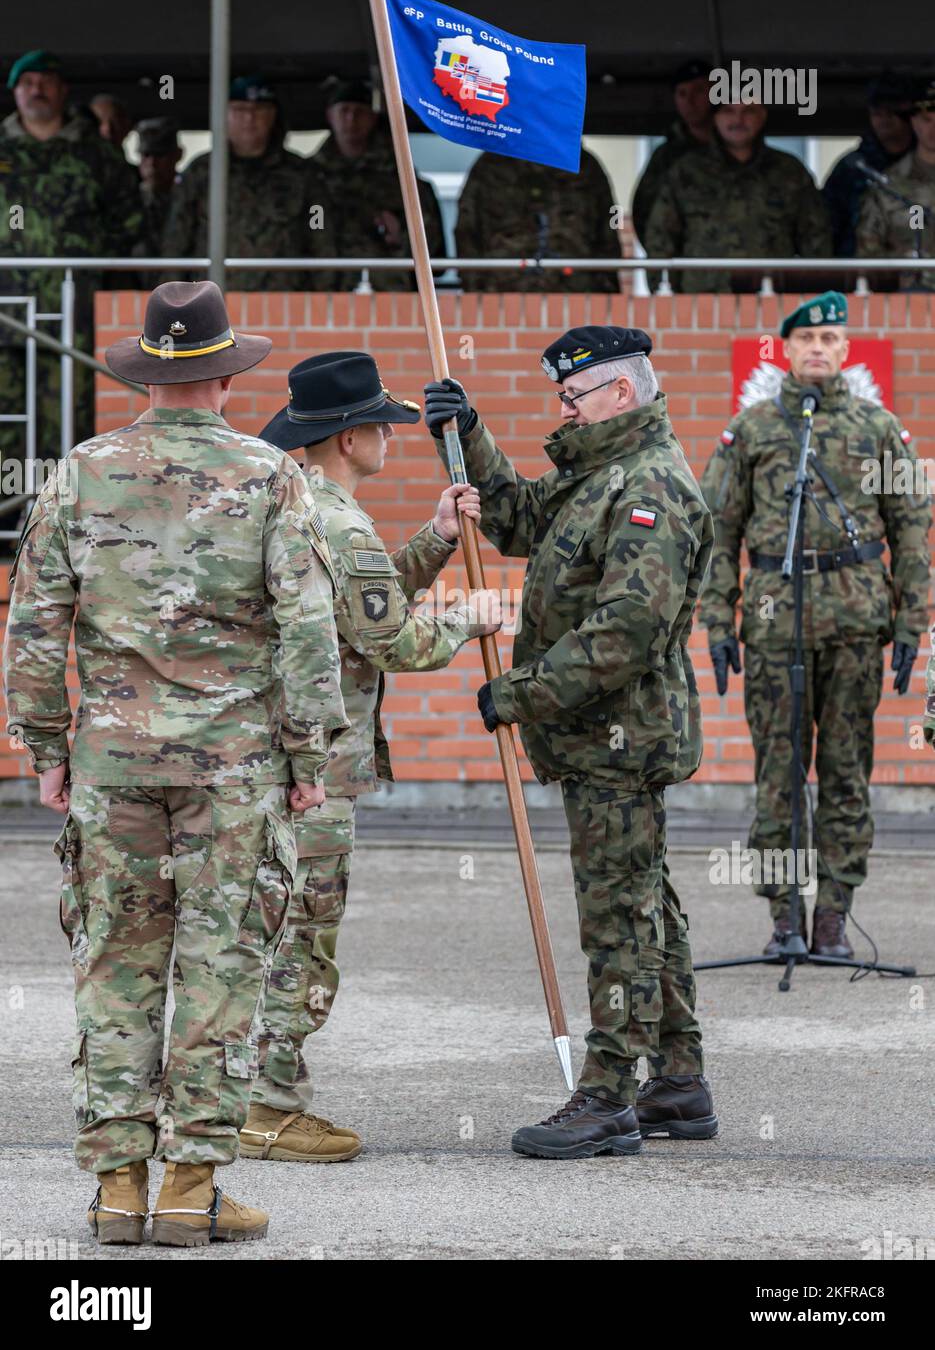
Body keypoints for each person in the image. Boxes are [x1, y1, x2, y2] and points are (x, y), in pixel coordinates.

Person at [2, 280, 348, 1245]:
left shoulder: (80, 472)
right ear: (227, 379)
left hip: (112, 764)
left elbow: (34, 626)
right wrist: (307, 754)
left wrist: (45, 747)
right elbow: (307, 627)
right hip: (233, 770)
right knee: (220, 968)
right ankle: (192, 1188)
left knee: (114, 969)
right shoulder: (271, 474)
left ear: (146, 375)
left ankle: (119, 1189)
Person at [424, 327, 718, 1159]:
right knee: (644, 902)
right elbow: (518, 521)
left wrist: (519, 694)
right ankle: (678, 1081)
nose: (563, 410)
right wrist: (466, 435)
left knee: (617, 918)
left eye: (572, 396)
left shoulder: (650, 485)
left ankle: (607, 1095)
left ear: (619, 392)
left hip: (619, 741)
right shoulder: (599, 471)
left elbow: (626, 630)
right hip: (593, 741)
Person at [239, 350, 501, 1161]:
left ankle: (234, 1095)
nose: (390, 438)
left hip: (265, 757)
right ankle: (268, 1106)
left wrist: (436, 538)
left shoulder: (284, 503)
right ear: (350, 439)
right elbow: (391, 642)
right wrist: (468, 620)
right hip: (318, 769)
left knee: (259, 929)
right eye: (381, 427)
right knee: (304, 939)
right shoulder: (341, 524)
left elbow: (360, 607)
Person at [700, 292, 931, 958]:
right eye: (806, 338)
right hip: (775, 625)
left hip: (855, 624)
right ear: (787, 349)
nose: (818, 349)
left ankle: (832, 916)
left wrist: (911, 622)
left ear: (845, 350)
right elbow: (718, 531)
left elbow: (911, 528)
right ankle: (783, 919)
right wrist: (718, 621)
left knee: (845, 772)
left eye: (830, 339)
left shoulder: (877, 427)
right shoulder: (752, 430)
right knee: (778, 775)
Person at [0, 49, 142, 470]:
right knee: (6, 417)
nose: (37, 90)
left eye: (46, 82)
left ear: (63, 91)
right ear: (14, 92)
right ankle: (9, 511)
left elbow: (131, 222)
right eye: (27, 83)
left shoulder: (96, 154)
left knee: (71, 414)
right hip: (6, 309)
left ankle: (61, 506)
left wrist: (91, 265)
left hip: (75, 311)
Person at [162, 76, 337, 291]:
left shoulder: (302, 174)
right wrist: (173, 298)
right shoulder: (201, 172)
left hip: (282, 301)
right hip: (213, 299)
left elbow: (321, 240)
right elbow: (176, 242)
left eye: (259, 110)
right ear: (224, 115)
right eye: (239, 110)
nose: (249, 118)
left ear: (273, 115)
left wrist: (323, 298)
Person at [643, 99, 832, 292]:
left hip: (773, 297)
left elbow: (816, 239)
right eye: (728, 110)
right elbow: (660, 238)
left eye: (748, 111)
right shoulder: (686, 172)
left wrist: (813, 295)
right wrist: (664, 295)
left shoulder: (789, 172)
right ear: (715, 117)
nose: (738, 120)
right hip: (702, 300)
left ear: (762, 115)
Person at [309, 79, 445, 291]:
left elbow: (434, 252)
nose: (351, 119)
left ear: (372, 118)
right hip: (321, 293)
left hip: (388, 292)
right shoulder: (309, 178)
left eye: (359, 112)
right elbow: (302, 234)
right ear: (330, 116)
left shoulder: (402, 179)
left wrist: (400, 236)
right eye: (344, 111)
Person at [455, 149, 621, 293]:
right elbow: (466, 230)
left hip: (576, 289)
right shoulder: (491, 165)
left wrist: (605, 288)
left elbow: (611, 225)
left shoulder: (585, 165)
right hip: (503, 290)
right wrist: (475, 289)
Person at [822, 73, 916, 259]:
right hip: (861, 266)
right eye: (877, 111)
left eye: (892, 110)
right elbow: (827, 225)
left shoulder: (924, 161)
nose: (884, 118)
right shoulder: (853, 167)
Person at [856, 78, 935, 291]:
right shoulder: (888, 186)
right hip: (906, 301)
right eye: (927, 119)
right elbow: (868, 254)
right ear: (914, 122)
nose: (933, 128)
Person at [631, 59, 715, 250]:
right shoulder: (665, 157)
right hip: (685, 263)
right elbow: (644, 214)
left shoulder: (738, 150)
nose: (690, 100)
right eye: (682, 93)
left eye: (699, 90)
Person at [134, 116, 183, 259]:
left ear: (177, 155)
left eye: (160, 155)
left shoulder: (189, 198)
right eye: (146, 155)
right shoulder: (128, 200)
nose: (152, 163)